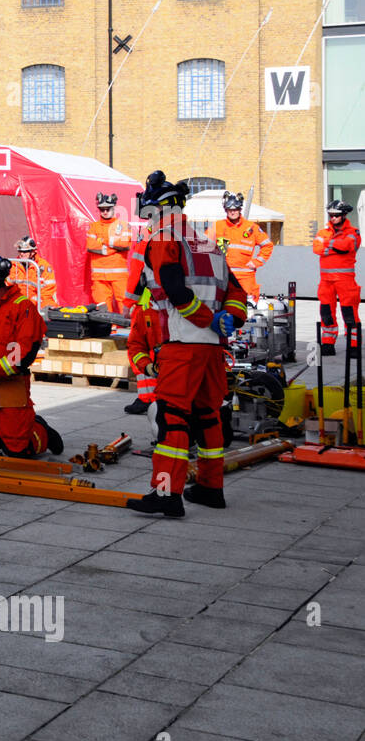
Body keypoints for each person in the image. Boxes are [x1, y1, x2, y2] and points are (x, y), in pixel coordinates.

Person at [126, 171, 247, 518]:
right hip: (213, 349)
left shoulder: (165, 238)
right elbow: (238, 293)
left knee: (172, 419)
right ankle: (211, 488)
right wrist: (229, 320)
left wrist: (204, 318)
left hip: (182, 342)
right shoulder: (207, 243)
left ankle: (166, 494)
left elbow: (176, 290)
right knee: (208, 416)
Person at [0, 252, 64, 459]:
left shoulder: (22, 308)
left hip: (10, 392)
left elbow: (22, 355)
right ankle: (3, 433)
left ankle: (40, 431)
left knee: (18, 453)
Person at [313, 200, 361, 356]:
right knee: (326, 312)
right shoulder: (322, 232)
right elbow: (317, 249)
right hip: (326, 280)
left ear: (344, 215)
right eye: (331, 215)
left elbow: (347, 246)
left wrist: (328, 245)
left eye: (336, 215)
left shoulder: (353, 232)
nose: (332, 218)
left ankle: (353, 345)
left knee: (349, 313)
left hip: (345, 280)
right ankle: (328, 343)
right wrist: (335, 245)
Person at [208, 191, 271, 302]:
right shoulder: (218, 226)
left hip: (245, 276)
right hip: (223, 275)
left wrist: (256, 262)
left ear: (240, 209)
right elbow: (204, 244)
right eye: (229, 210)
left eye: (235, 209)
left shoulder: (251, 228)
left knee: (247, 308)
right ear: (225, 210)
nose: (232, 212)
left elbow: (267, 245)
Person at [86, 192, 131, 312]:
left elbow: (125, 244)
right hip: (99, 276)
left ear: (113, 209)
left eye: (108, 209)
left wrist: (103, 242)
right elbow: (90, 246)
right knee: (102, 304)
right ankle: (109, 329)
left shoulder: (123, 225)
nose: (105, 212)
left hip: (119, 275)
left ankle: (129, 328)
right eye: (102, 209)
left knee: (124, 302)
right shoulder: (93, 226)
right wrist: (112, 247)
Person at [124, 296, 158, 416]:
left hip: (148, 306)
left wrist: (128, 303)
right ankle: (147, 398)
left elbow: (135, 282)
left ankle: (148, 399)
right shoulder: (146, 312)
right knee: (144, 355)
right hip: (149, 306)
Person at [8, 235, 57, 309]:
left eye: (25, 251)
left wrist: (33, 304)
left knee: (48, 308)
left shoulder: (43, 267)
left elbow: (47, 293)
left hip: (37, 304)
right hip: (17, 303)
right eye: (20, 251)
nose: (22, 254)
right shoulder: (13, 265)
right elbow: (7, 286)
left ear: (33, 252)